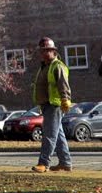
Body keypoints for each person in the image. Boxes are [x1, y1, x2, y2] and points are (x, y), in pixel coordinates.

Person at [31, 36, 73, 173]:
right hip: (47, 104)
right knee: (58, 135)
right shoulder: (45, 67)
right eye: (42, 51)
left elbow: (63, 84)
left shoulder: (57, 66)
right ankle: (65, 163)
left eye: (46, 50)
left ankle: (44, 163)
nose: (43, 53)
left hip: (54, 105)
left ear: (53, 51)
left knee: (49, 134)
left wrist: (65, 99)